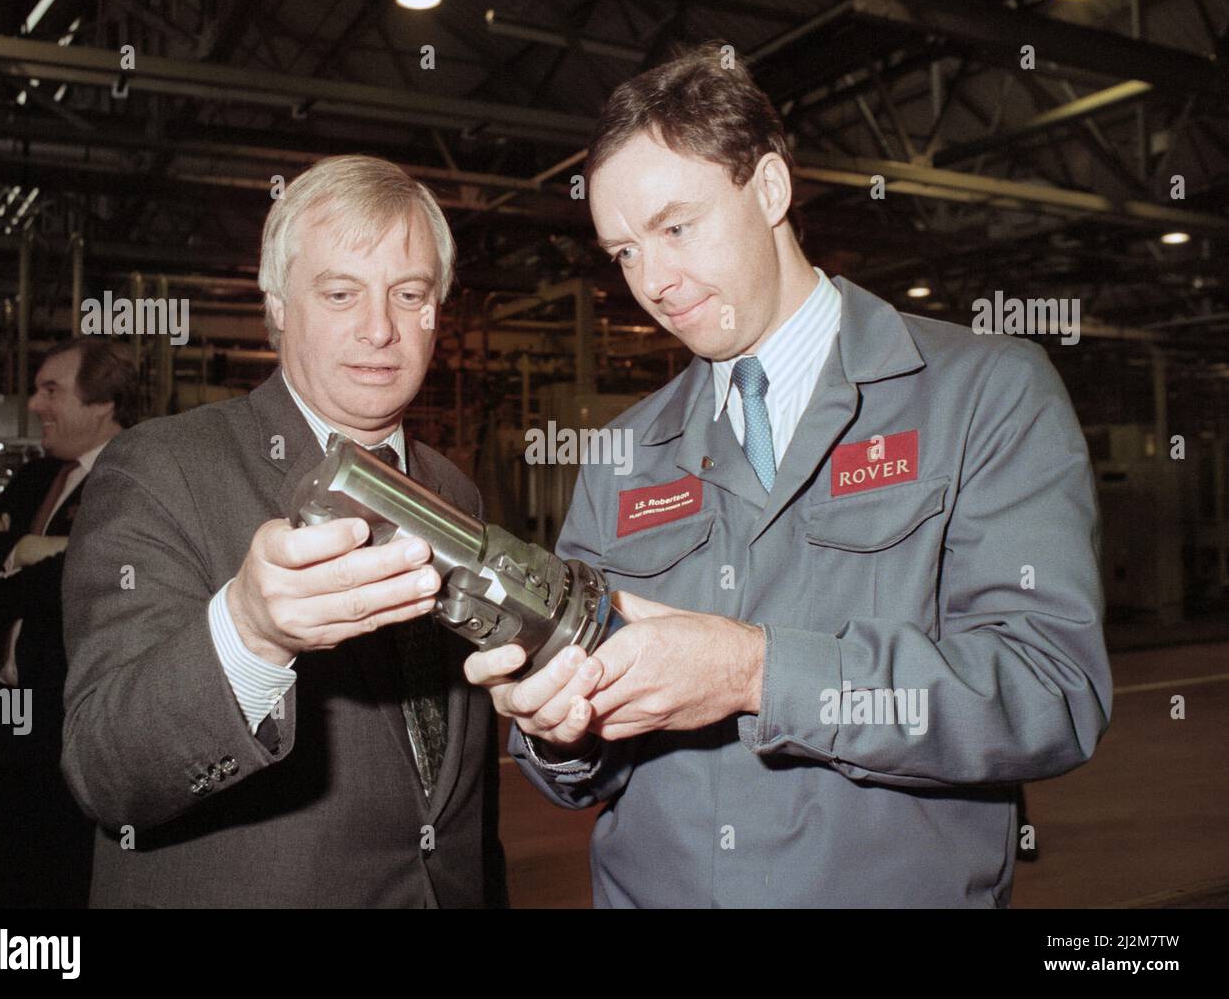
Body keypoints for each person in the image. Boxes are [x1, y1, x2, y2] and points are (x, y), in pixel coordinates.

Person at [465, 46, 1110, 907]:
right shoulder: (623, 453)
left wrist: (756, 673)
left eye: (676, 228)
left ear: (770, 189)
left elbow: (1050, 692)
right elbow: (575, 775)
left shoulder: (981, 393)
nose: (652, 282)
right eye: (622, 252)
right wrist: (556, 728)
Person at [61, 156, 507, 907]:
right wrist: (247, 635)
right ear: (275, 305)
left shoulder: (454, 491)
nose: (379, 329)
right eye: (340, 293)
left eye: (409, 294)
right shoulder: (161, 470)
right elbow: (105, 771)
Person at [0, 337, 135, 907]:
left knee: (69, 878)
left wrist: (9, 562)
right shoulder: (38, 477)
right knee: (13, 873)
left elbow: (85, 584)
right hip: (15, 719)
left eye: (51, 389)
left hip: (74, 722)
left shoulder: (136, 477)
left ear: (101, 403)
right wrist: (31, 547)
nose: (34, 404)